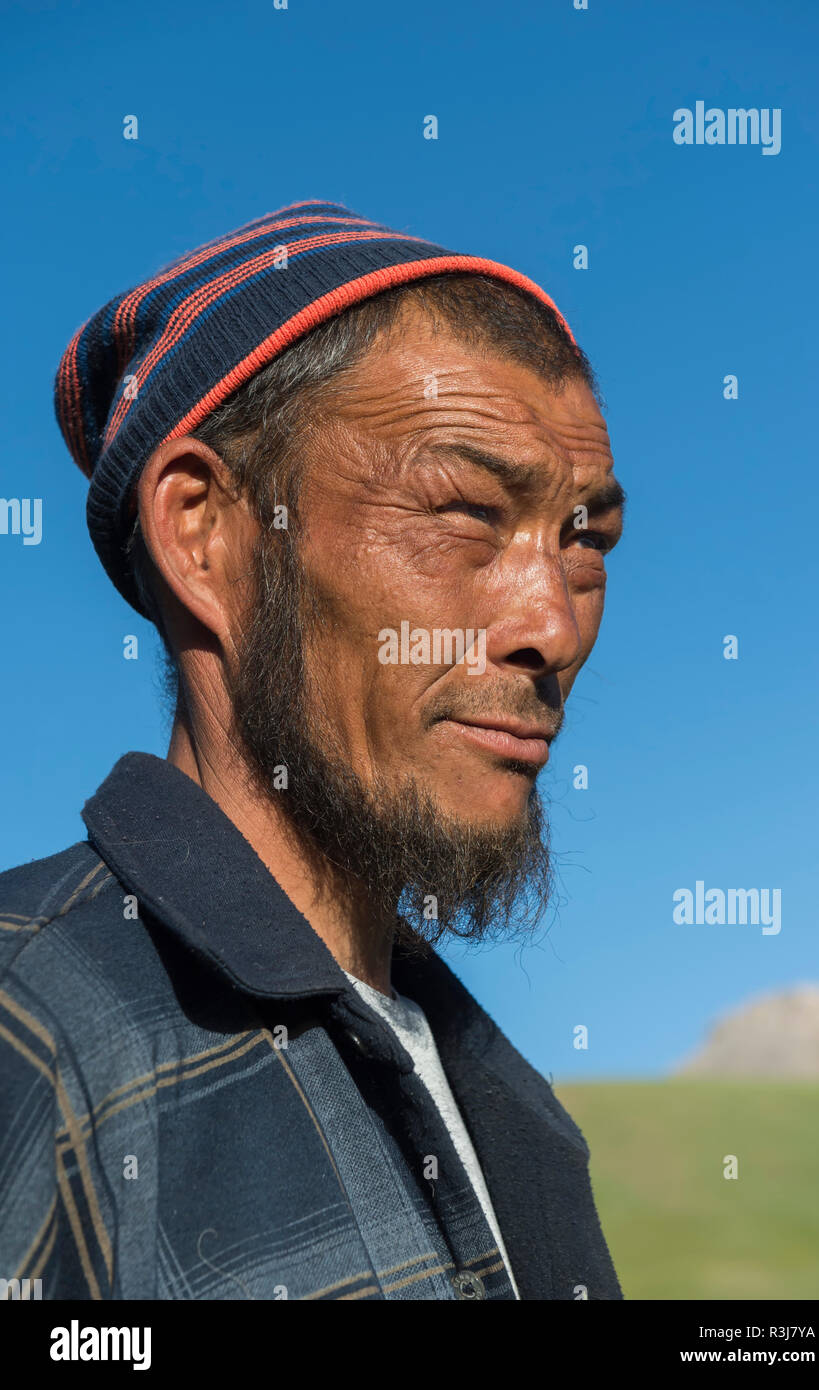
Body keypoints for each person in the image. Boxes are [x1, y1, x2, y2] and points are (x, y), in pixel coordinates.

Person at [0, 201, 625, 1300]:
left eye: (584, 538)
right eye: (466, 510)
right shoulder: (33, 1032)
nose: (554, 624)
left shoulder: (513, 1114)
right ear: (205, 532)